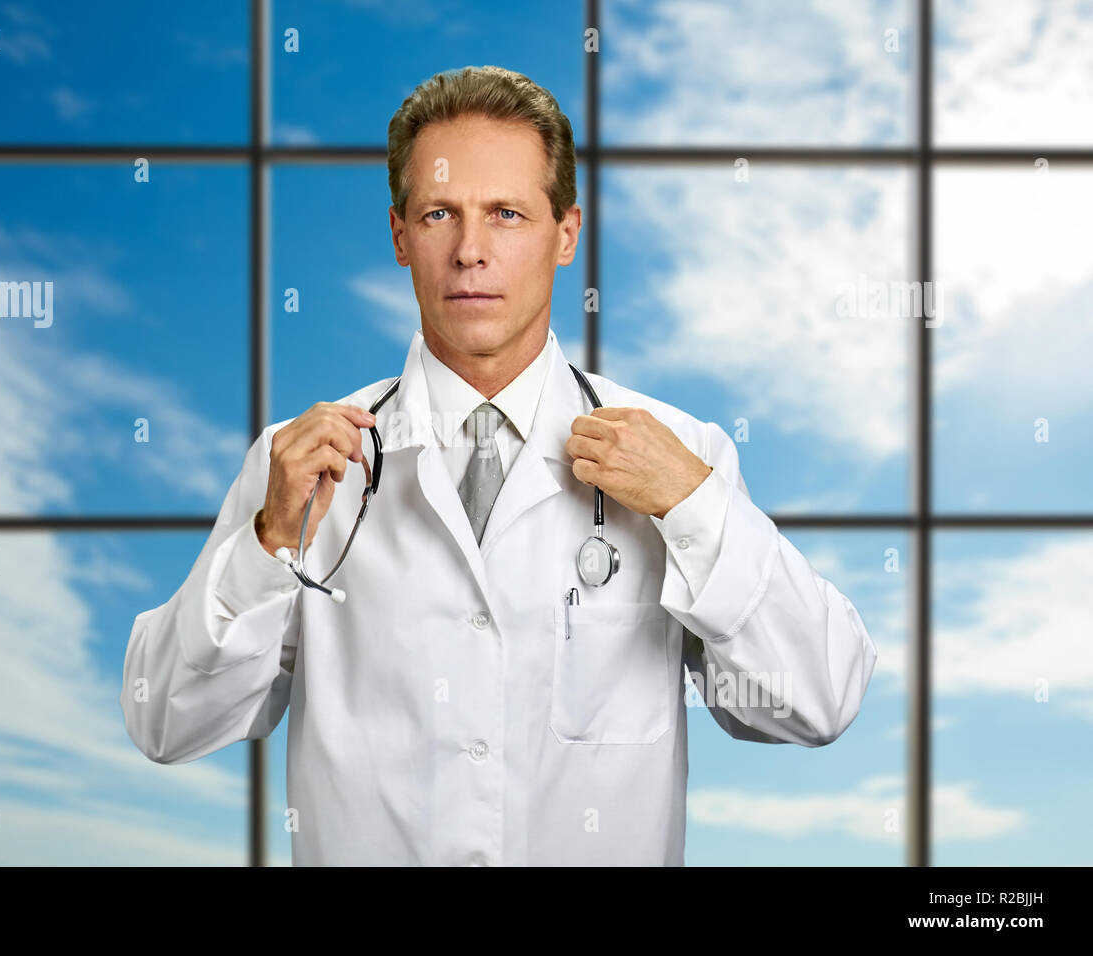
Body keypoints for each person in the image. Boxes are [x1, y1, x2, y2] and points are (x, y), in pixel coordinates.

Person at [120, 65, 878, 866]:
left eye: (507, 214)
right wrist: (269, 539)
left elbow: (818, 700)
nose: (471, 252)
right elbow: (166, 722)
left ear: (565, 234)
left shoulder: (681, 455)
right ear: (400, 235)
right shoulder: (303, 470)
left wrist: (693, 506)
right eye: (440, 213)